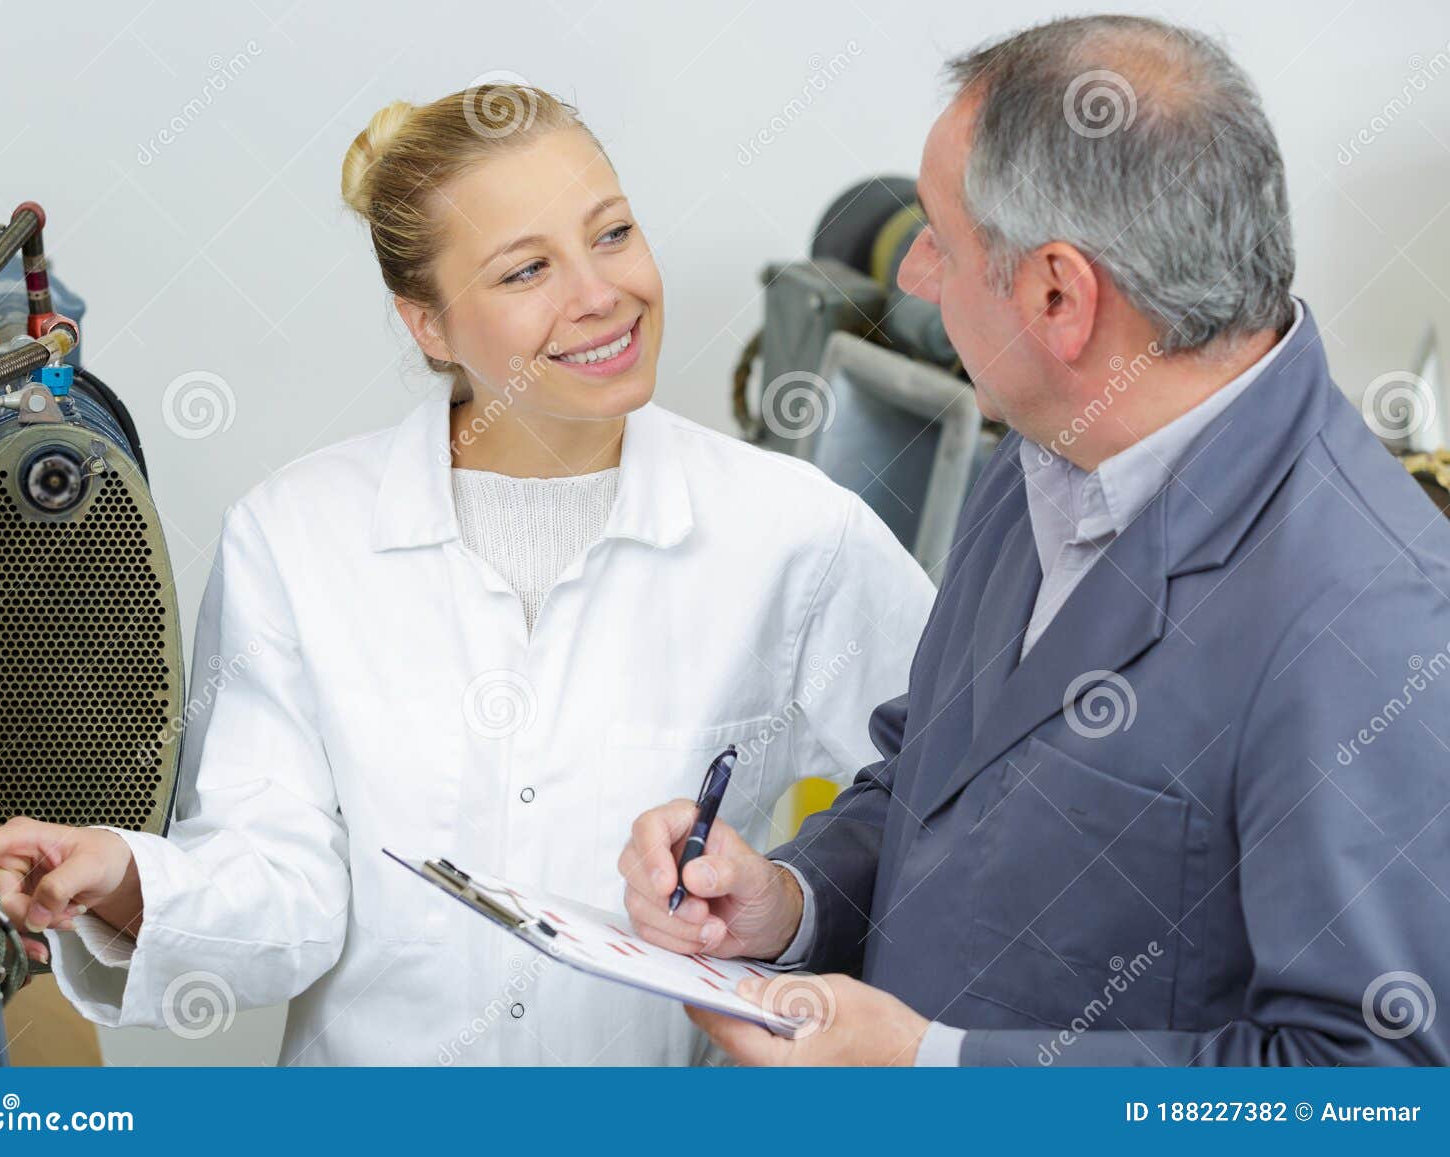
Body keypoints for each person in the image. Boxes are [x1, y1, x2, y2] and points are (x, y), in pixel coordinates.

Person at [0, 84, 935, 1066]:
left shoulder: (791, 530)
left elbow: (952, 806)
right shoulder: (297, 536)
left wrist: (786, 895)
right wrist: (125, 875)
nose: (600, 293)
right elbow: (281, 886)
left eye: (613, 234)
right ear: (428, 324)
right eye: (526, 270)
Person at [620, 15, 1450, 1066]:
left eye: (940, 238)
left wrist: (935, 1067)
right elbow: (934, 785)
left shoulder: (1373, 613)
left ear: (1059, 296)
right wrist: (786, 904)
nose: (915, 273)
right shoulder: (1051, 451)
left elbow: (1369, 1094)